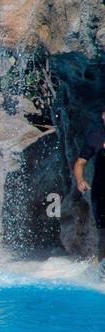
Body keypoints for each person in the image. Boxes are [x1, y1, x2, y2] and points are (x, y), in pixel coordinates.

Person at [72, 108, 105, 267]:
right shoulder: (95, 138)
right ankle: (103, 272)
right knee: (103, 232)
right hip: (101, 192)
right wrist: (80, 179)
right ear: (103, 116)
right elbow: (80, 162)